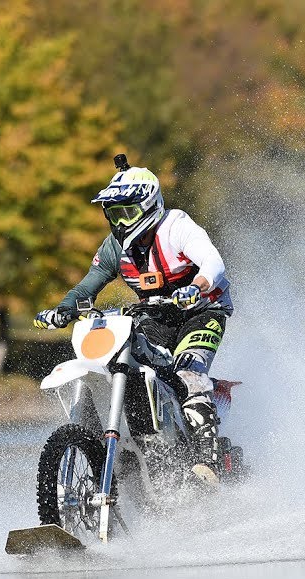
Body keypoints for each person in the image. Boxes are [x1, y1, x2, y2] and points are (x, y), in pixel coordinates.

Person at [34, 155, 233, 464]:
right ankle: (142, 449)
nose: (120, 222)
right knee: (134, 365)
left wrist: (197, 286)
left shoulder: (176, 227)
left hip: (202, 313)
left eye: (127, 212)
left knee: (187, 373)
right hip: (153, 316)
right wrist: (62, 310)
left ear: (150, 206)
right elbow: (89, 284)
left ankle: (208, 465)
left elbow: (213, 261)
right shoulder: (115, 246)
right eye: (113, 214)